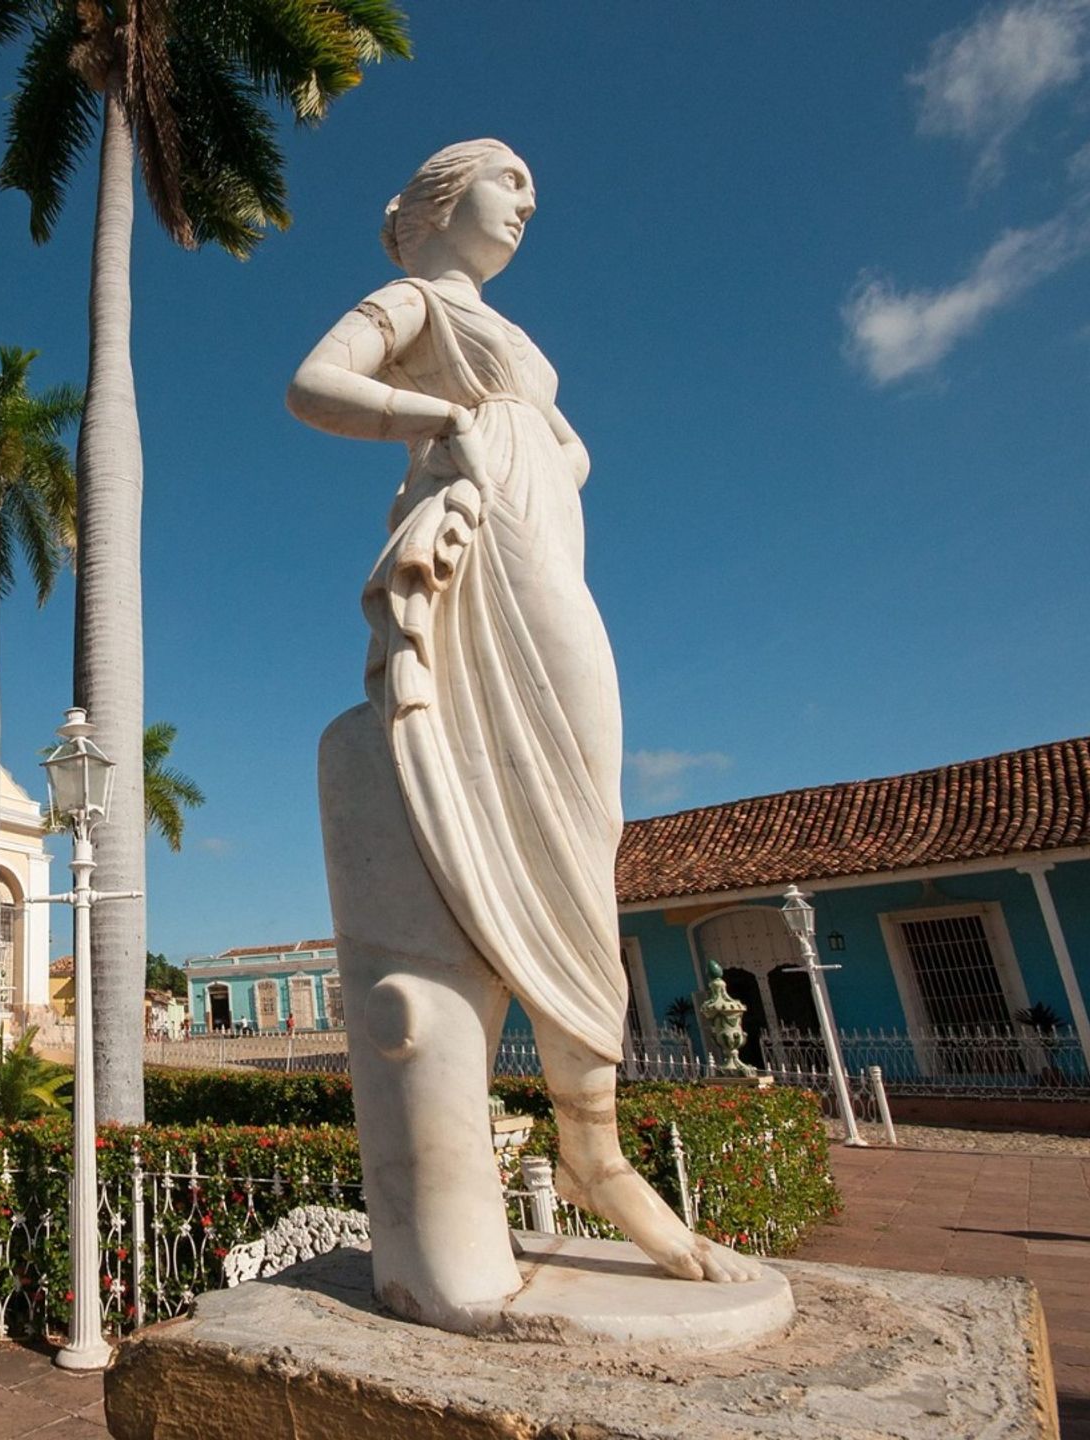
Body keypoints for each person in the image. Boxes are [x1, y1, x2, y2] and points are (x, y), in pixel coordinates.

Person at [287, 140, 757, 1325]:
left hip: (548, 556)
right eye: (512, 182)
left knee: (582, 825)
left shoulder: (512, 336)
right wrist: (445, 414)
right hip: (490, 555)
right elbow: (312, 383)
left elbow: (559, 443)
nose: (531, 204)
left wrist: (539, 437)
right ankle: (592, 1153)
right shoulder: (415, 299)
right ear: (446, 202)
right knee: (547, 825)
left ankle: (592, 1145)